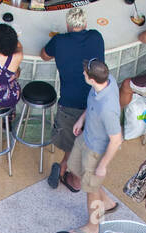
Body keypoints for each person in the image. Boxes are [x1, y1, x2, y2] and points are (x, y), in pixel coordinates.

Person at [42, 8, 106, 190]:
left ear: (68, 25)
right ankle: (65, 169)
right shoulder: (96, 36)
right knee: (84, 143)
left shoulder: (59, 41)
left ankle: (70, 176)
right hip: (94, 104)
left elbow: (44, 55)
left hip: (69, 105)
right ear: (85, 24)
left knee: (73, 140)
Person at [65, 60, 123, 233]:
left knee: (90, 188)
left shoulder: (107, 109)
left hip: (96, 150)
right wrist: (82, 119)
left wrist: (102, 166)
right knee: (75, 169)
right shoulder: (107, 80)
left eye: (85, 73)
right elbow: (93, 104)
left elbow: (116, 140)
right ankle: (106, 202)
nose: (83, 74)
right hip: (86, 137)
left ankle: (94, 226)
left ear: (91, 79)